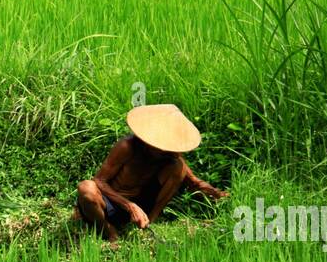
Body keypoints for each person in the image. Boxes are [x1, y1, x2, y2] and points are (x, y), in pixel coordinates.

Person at [74, 104, 227, 244]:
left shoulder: (171, 157)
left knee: (178, 166)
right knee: (86, 188)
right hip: (111, 204)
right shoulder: (127, 147)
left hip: (142, 206)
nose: (167, 151)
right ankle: (110, 232)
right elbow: (99, 181)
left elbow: (194, 182)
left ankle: (150, 221)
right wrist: (129, 206)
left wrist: (218, 194)